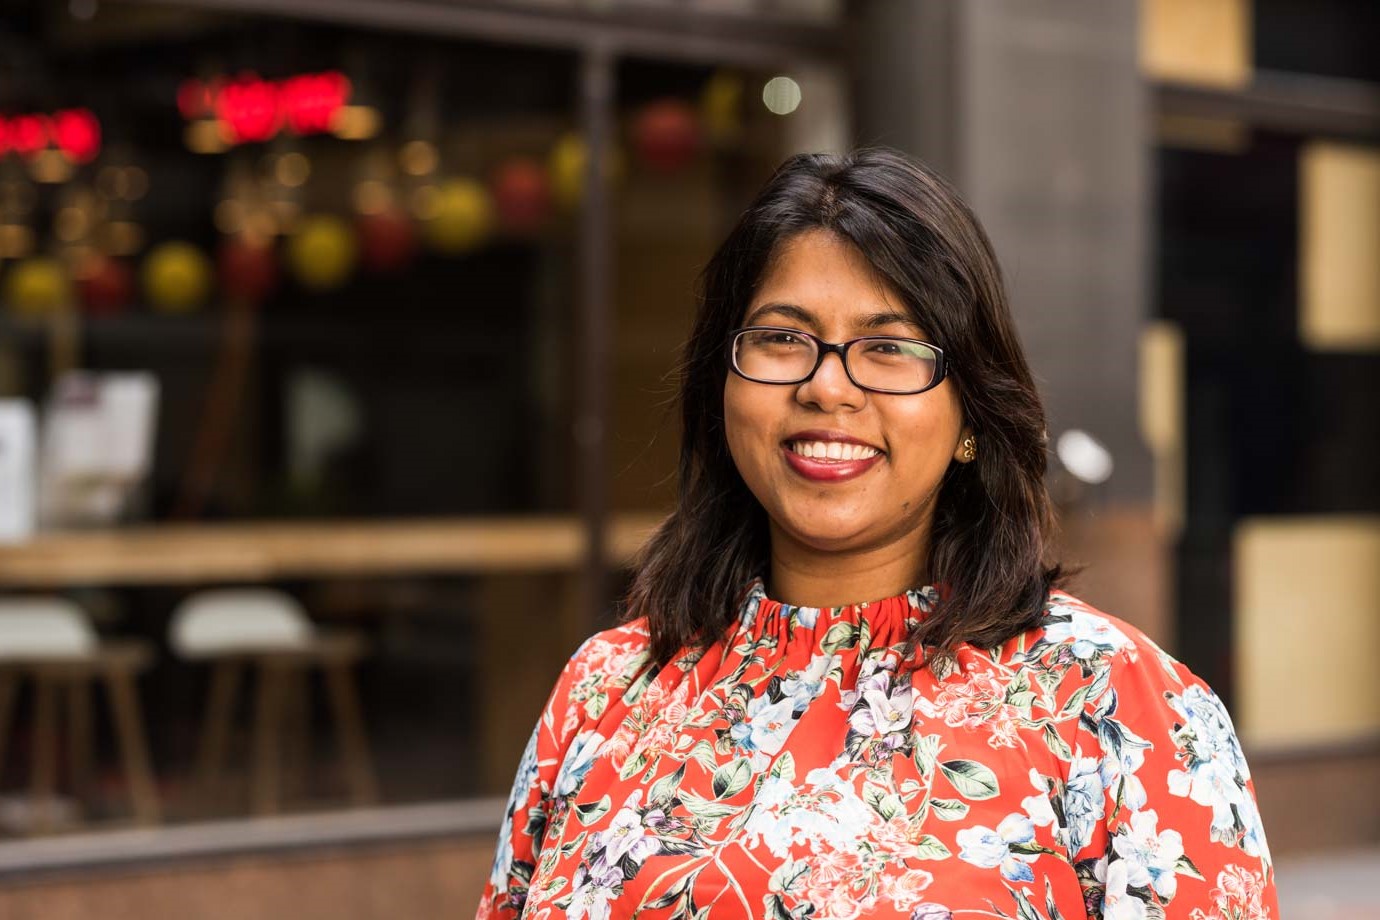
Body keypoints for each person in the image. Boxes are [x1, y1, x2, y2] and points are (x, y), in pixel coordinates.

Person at [477, 148, 1276, 920]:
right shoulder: (605, 689)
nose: (827, 387)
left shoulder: (1123, 710)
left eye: (889, 348)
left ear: (970, 407)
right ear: (724, 390)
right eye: (783, 338)